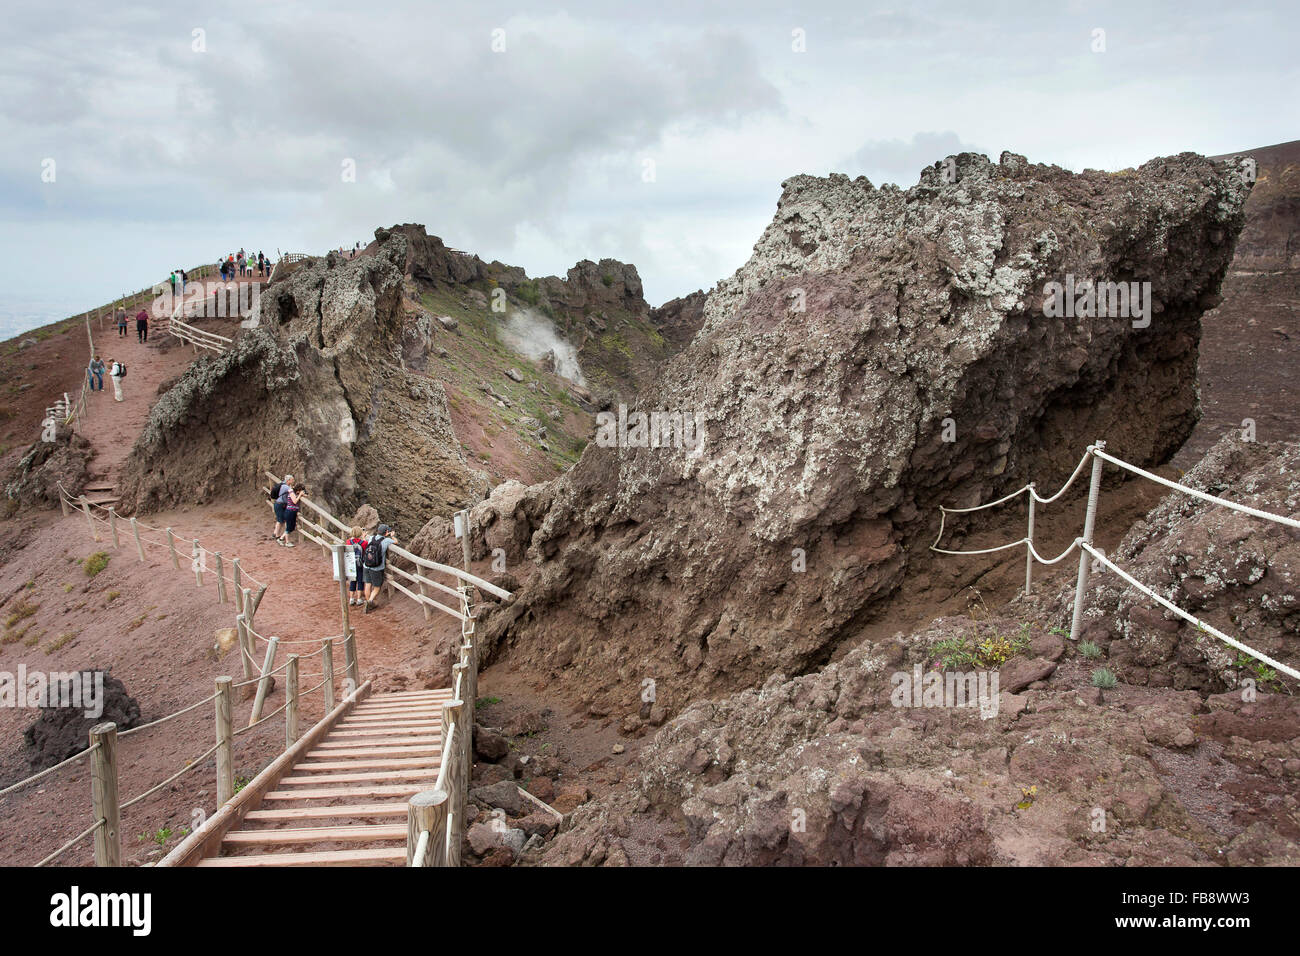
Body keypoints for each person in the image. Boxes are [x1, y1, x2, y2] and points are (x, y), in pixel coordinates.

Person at [361, 524, 397, 613]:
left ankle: (368, 601)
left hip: (366, 565)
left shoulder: (371, 538)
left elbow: (364, 539)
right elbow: (396, 542)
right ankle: (370, 602)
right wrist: (392, 536)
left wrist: (364, 536)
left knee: (368, 584)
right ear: (386, 533)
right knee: (377, 587)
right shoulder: (386, 540)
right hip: (377, 568)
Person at [345, 526, 366, 605]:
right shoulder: (363, 543)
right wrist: (363, 538)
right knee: (360, 580)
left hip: (351, 564)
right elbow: (365, 546)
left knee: (352, 580)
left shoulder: (348, 542)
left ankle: (351, 598)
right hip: (360, 564)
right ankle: (359, 598)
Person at [270, 473, 294, 540]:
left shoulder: (282, 485)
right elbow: (292, 493)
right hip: (280, 504)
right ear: (288, 480)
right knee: (281, 520)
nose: (293, 481)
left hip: (278, 504)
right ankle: (277, 535)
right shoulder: (286, 487)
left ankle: (275, 534)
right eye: (292, 480)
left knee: (279, 519)